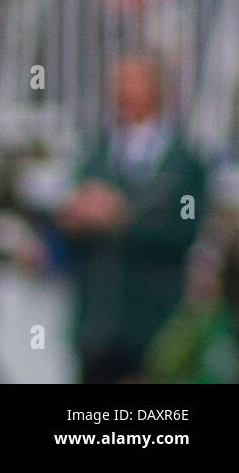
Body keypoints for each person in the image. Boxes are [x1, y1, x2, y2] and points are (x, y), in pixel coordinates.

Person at [56, 53, 206, 383]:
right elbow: (68, 234)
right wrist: (75, 218)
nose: (125, 94)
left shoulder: (185, 165)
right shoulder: (96, 155)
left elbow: (186, 231)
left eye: (134, 84)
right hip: (97, 326)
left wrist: (122, 217)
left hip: (154, 325)